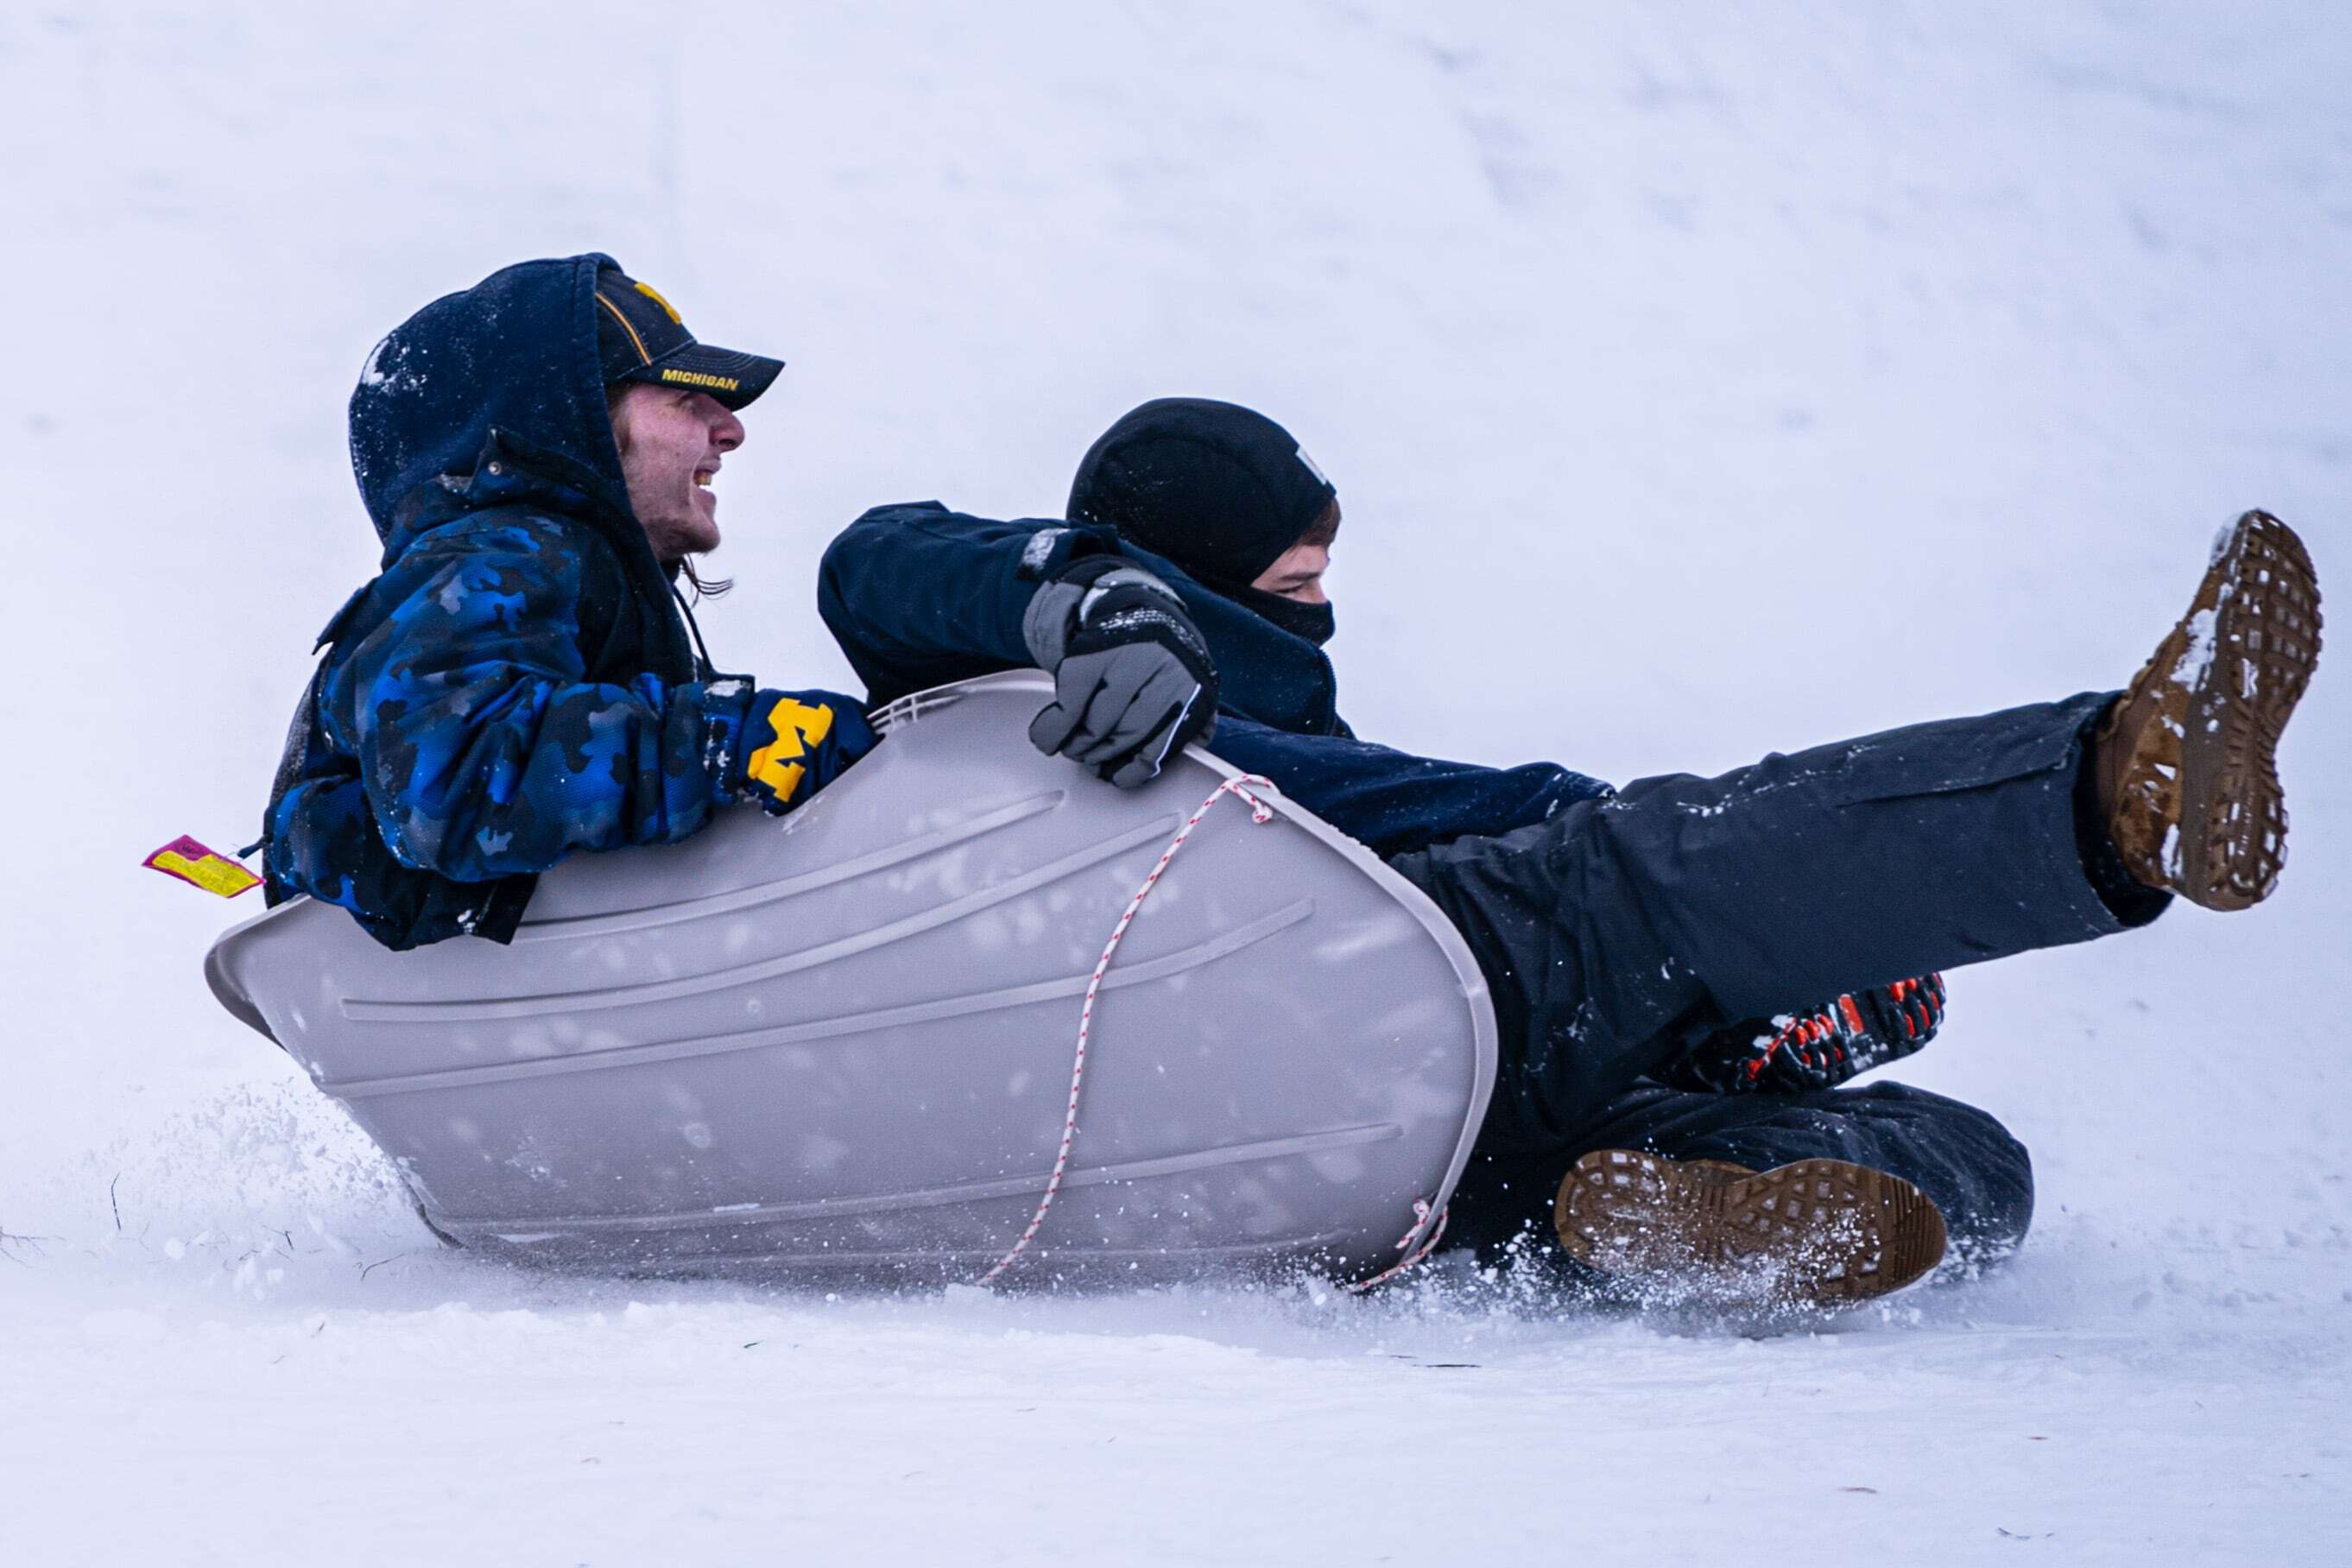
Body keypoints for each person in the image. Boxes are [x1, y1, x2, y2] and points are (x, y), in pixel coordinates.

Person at [817, 397, 2321, 1306]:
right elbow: (871, 556)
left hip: (1370, 1110)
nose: (1317, 591)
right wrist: (1090, 601)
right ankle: (2101, 791)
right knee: (1638, 867)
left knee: (1971, 1155)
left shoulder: (1287, 715)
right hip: (1335, 975)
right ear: (1177, 563)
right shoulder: (1075, 675)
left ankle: (1632, 1215)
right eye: (1290, 565)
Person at [262, 255, 873, 952]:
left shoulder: (579, 579)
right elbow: (452, 780)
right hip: (420, 982)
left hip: (516, 998)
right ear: (578, 420)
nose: (729, 428)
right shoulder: (496, 553)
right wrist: (719, 743)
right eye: (685, 399)